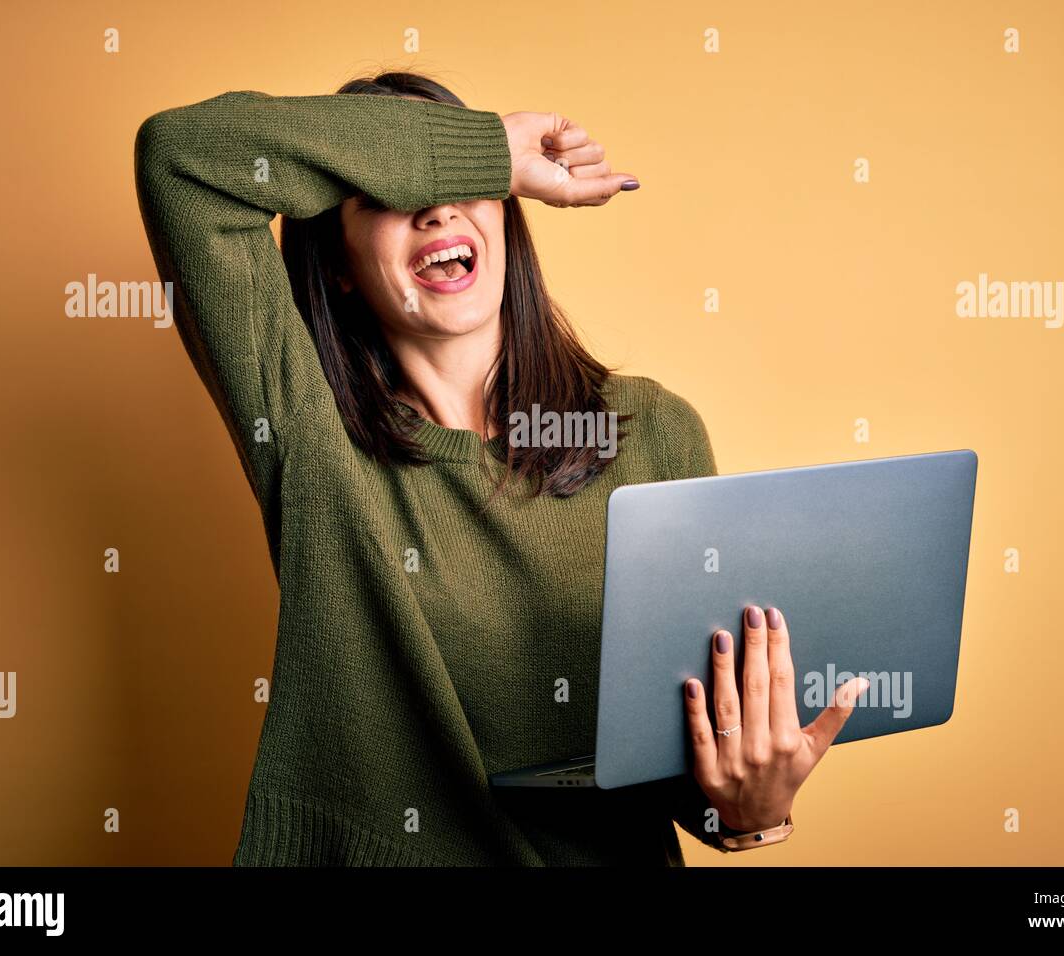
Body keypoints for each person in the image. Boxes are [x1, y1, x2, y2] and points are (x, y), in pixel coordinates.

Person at [133, 70, 867, 866]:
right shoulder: (311, 438)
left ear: (506, 222)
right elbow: (181, 156)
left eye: (466, 184)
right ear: (338, 265)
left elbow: (688, 778)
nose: (439, 207)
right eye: (386, 191)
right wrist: (483, 149)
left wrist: (749, 811)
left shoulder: (653, 434)